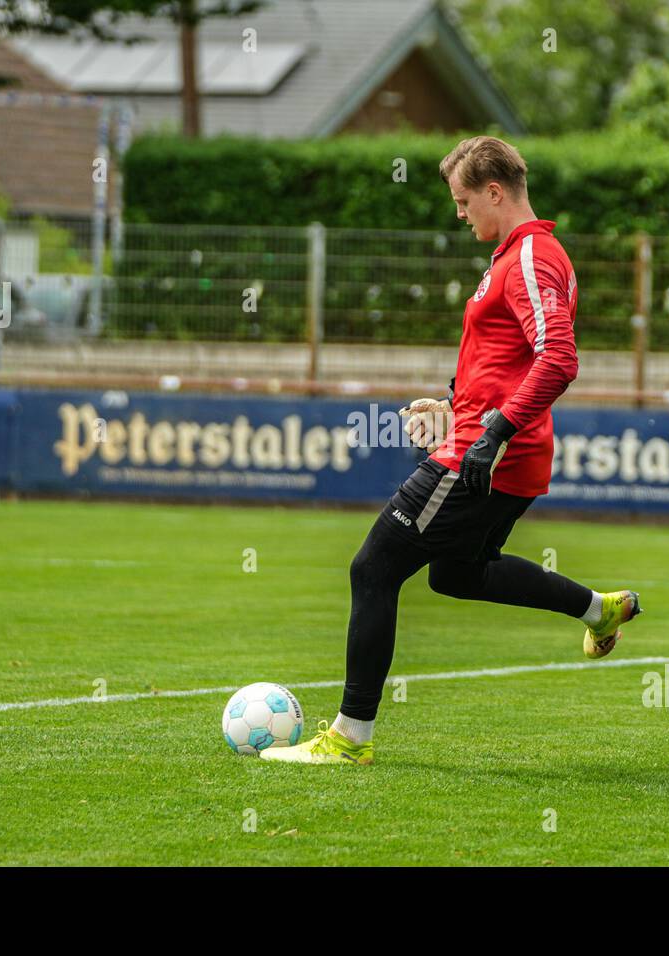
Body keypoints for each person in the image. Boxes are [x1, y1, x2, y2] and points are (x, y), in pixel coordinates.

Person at [262, 136, 641, 765]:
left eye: (464, 200)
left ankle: (349, 738)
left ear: (495, 192)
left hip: (485, 454)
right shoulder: (519, 255)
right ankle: (596, 609)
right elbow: (509, 360)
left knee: (373, 567)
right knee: (457, 573)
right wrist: (454, 405)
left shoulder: (529, 258)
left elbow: (560, 358)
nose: (459, 213)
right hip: (497, 450)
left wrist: (491, 430)